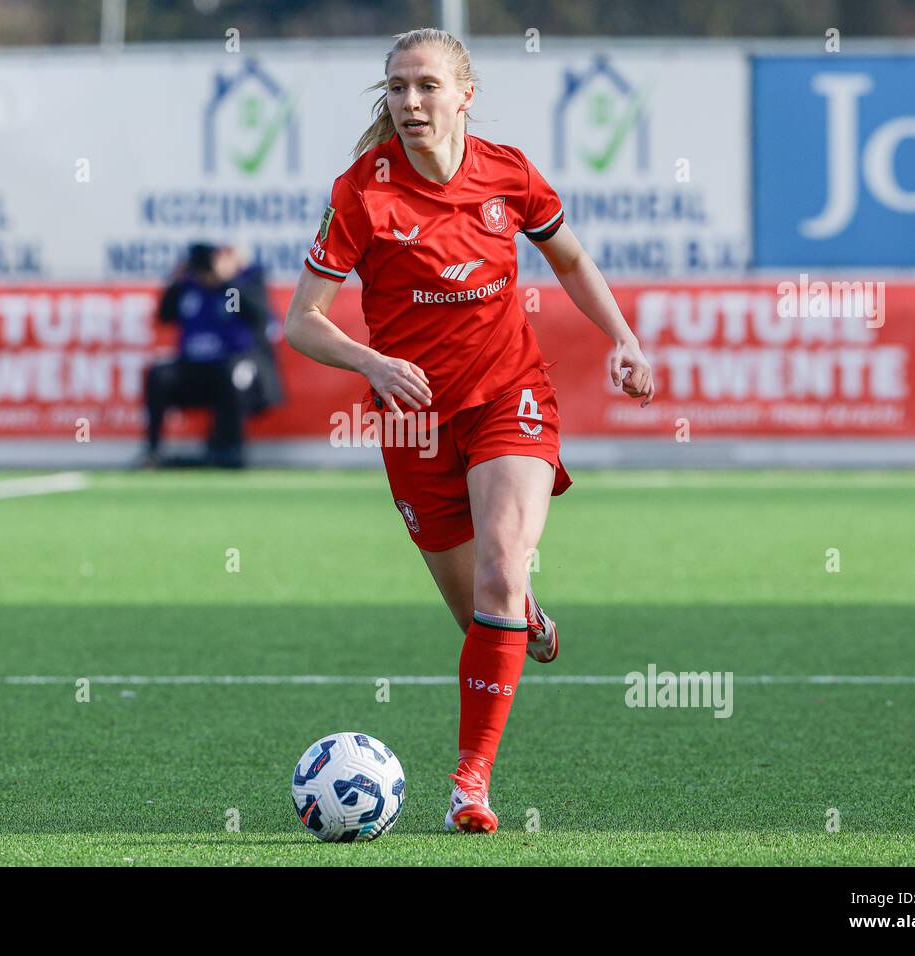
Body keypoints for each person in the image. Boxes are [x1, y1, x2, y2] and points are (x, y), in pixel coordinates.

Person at [284, 28, 654, 833]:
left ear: (464, 95)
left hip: (508, 399)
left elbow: (572, 262)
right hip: (415, 427)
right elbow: (301, 322)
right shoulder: (362, 192)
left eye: (425, 86)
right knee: (481, 617)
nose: (409, 103)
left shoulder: (509, 173)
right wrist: (371, 362)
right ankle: (526, 613)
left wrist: (622, 338)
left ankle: (470, 785)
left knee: (496, 577)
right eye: (396, 88)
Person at [143, 242, 278, 468]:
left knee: (232, 374)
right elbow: (165, 315)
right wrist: (176, 278)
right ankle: (153, 452)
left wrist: (227, 280)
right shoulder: (188, 288)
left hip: (232, 365)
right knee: (158, 375)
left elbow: (254, 316)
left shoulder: (235, 287)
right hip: (194, 368)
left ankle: (231, 450)